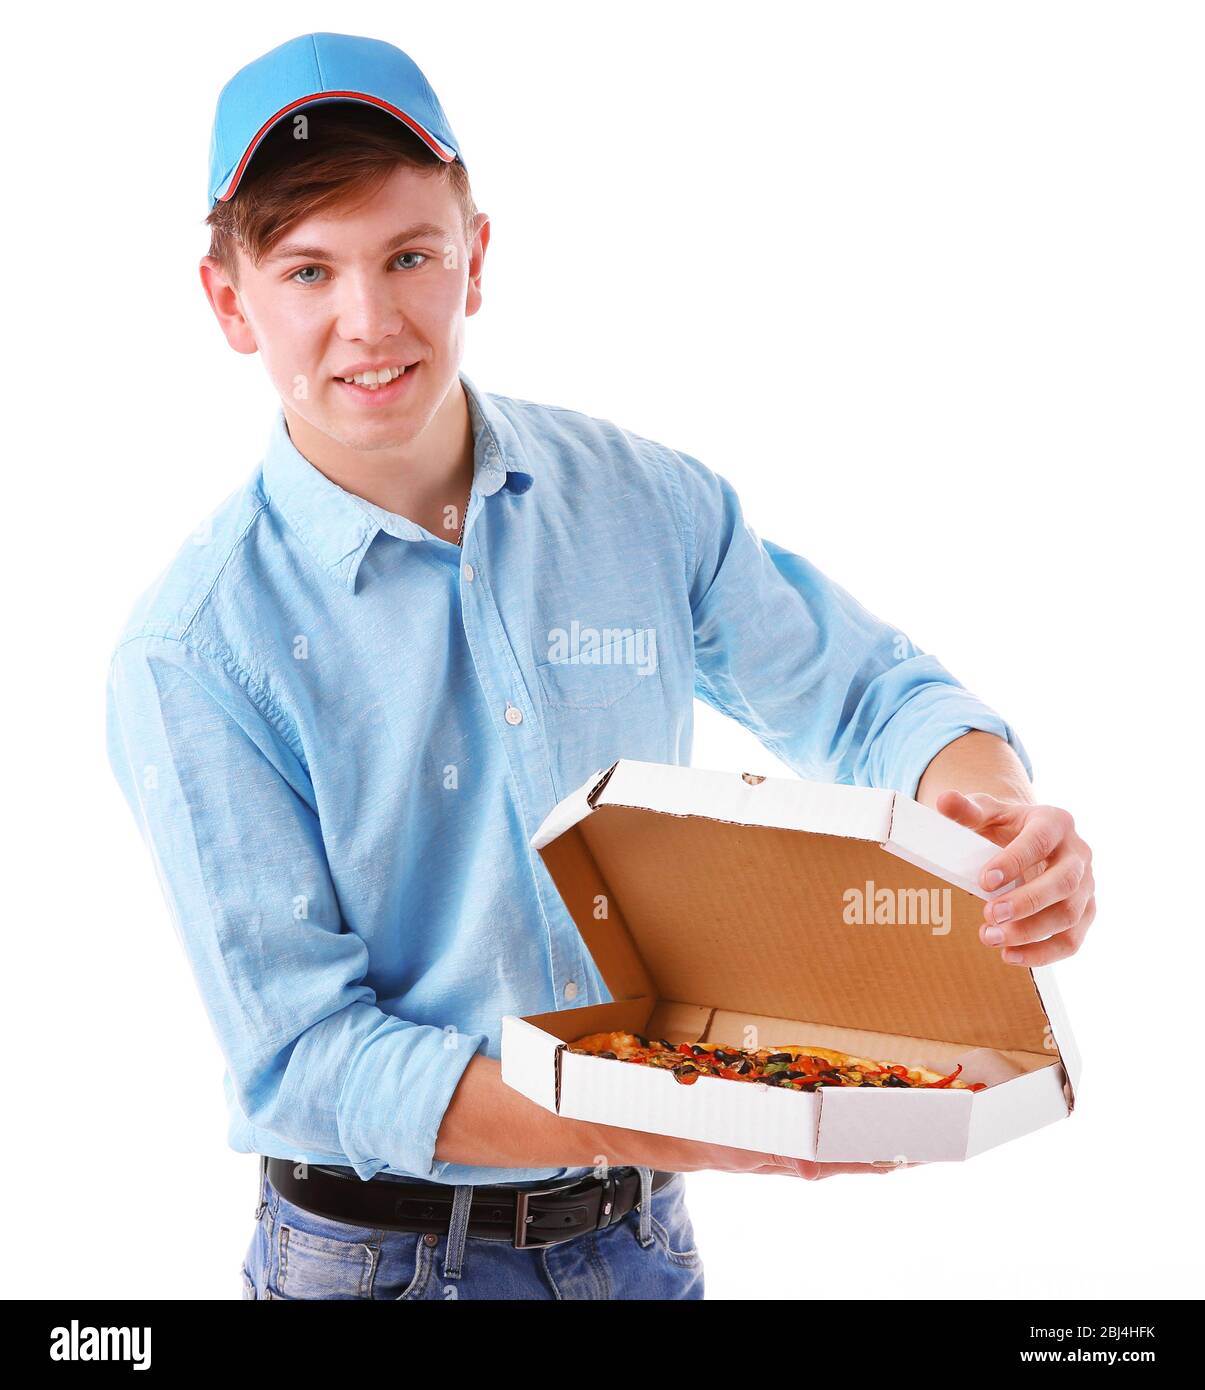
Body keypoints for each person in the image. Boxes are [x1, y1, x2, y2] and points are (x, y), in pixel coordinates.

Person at [105, 31, 1096, 1301]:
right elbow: (308, 1058)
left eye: (410, 254)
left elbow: (868, 698)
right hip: (382, 1264)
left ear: (475, 260)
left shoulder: (640, 500)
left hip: (644, 1244)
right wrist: (661, 1119)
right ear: (231, 302)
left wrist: (993, 825)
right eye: (309, 270)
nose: (370, 321)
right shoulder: (192, 652)